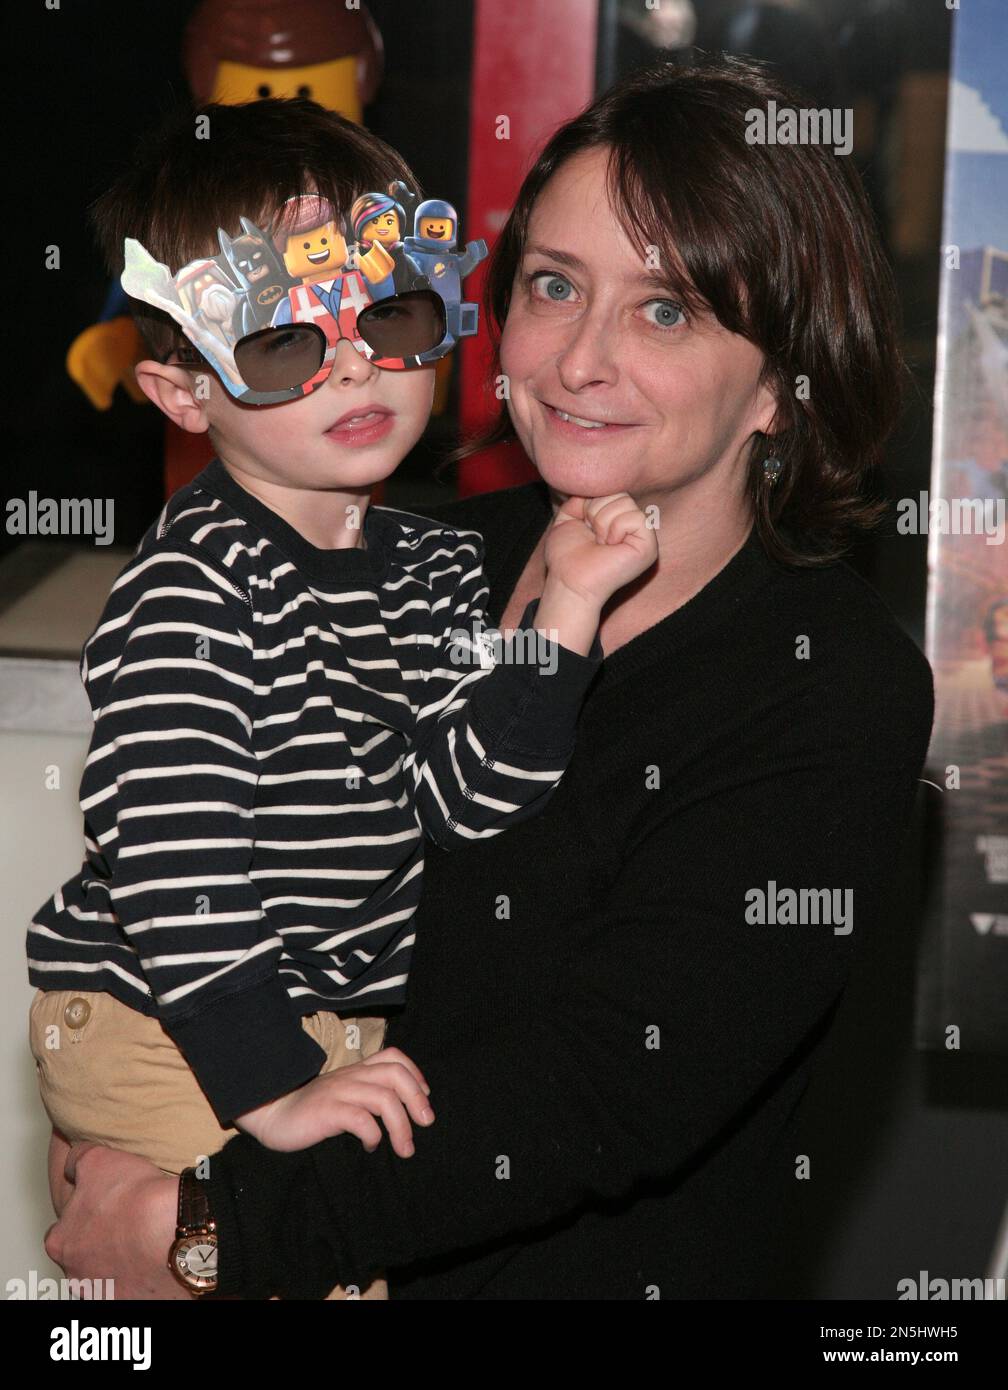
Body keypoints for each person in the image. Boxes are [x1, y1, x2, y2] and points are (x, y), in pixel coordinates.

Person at [43, 54, 935, 1300]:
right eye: (556, 286)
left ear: (784, 382)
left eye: (667, 310)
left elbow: (603, 1087)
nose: (578, 362)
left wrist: (200, 1231)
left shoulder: (827, 685)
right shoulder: (423, 558)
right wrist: (148, 1142)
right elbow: (181, 855)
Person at [28, 99, 659, 1299]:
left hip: (322, 1019)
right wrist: (274, 1083)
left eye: (391, 310)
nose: (355, 361)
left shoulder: (427, 564)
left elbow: (464, 795)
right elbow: (172, 859)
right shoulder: (194, 587)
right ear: (180, 393)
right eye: (280, 342)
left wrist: (566, 611)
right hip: (163, 1011)